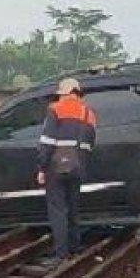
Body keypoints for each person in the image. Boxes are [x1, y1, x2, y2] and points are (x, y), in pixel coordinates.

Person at [37, 77, 97, 260]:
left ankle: (61, 253)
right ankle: (75, 246)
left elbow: (47, 142)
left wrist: (41, 167)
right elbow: (90, 143)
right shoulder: (89, 113)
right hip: (79, 167)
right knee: (73, 207)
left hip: (56, 167)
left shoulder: (55, 109)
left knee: (58, 210)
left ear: (65, 93)